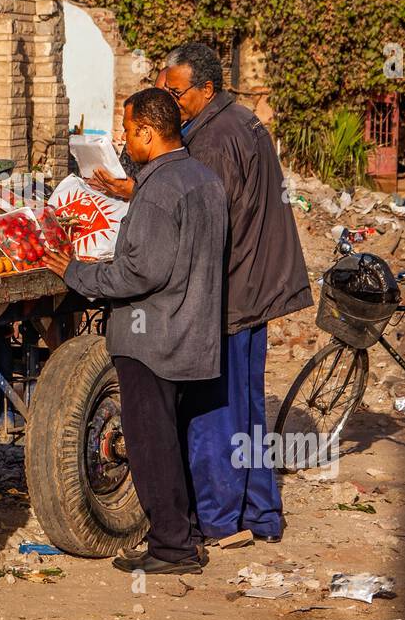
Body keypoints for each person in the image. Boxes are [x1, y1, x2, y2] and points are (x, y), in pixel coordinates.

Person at [89, 43, 312, 545]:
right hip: (255, 286)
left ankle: (216, 519)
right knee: (246, 408)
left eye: (176, 90)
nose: (170, 99)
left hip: (232, 292)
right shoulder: (239, 120)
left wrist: (141, 196)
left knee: (217, 412)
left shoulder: (214, 139)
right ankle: (260, 514)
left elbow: (203, 217)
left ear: (205, 89)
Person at [43, 88, 228, 575]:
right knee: (169, 438)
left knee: (150, 443)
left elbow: (139, 273)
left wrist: (76, 273)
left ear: (148, 131)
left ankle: (172, 548)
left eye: (128, 131)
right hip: (190, 331)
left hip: (152, 339)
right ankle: (180, 533)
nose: (124, 141)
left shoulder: (160, 188)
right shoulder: (204, 179)